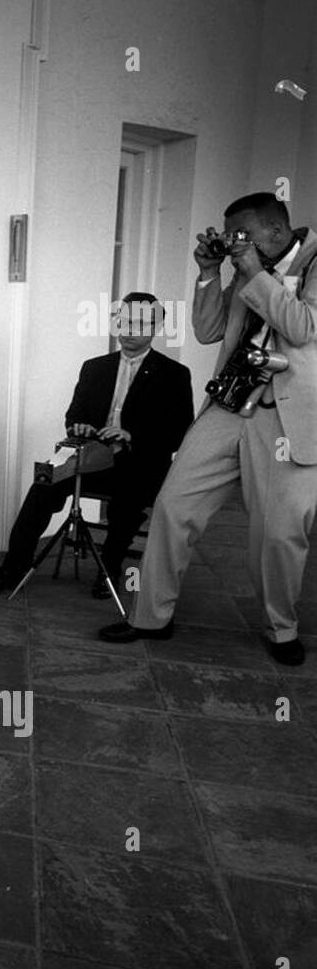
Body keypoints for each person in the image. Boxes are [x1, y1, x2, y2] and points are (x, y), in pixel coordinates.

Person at [101, 194, 317, 664]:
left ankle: (281, 628)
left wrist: (255, 274)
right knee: (173, 504)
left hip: (288, 418)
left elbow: (301, 328)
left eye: (244, 235)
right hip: (227, 405)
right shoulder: (247, 269)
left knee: (278, 534)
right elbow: (207, 330)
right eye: (232, 236)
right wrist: (208, 273)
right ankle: (150, 618)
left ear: (277, 231)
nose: (236, 244)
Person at [0, 293, 193, 598]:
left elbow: (179, 432)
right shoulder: (95, 367)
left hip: (141, 463)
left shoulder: (174, 375)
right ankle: (12, 568)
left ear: (157, 328)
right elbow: (74, 414)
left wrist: (131, 435)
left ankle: (109, 569)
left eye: (141, 324)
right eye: (126, 322)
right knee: (44, 484)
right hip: (93, 459)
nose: (131, 330)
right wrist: (78, 427)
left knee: (129, 496)